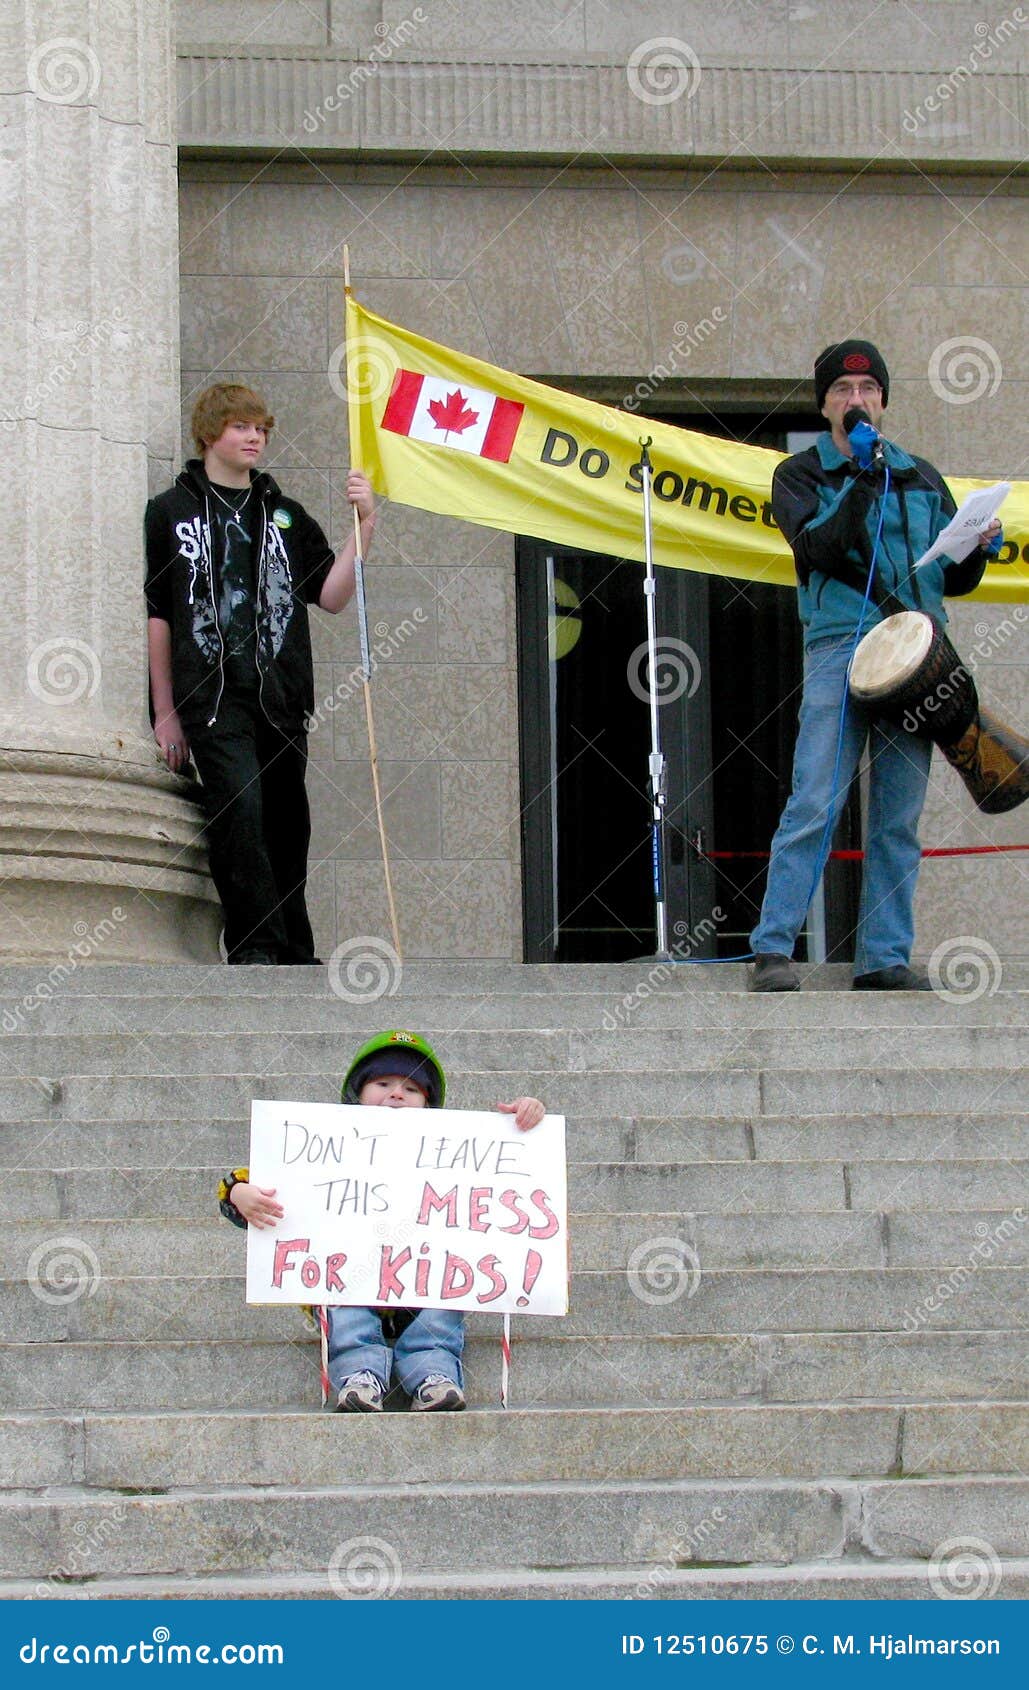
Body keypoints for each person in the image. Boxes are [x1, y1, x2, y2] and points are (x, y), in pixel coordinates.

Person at [749, 339, 1002, 993]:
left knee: (897, 814)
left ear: (883, 399)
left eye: (866, 391)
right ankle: (773, 948)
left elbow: (956, 577)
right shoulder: (798, 475)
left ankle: (883, 956)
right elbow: (820, 550)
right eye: (841, 391)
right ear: (824, 404)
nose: (855, 401)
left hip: (916, 652)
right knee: (814, 799)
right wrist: (861, 482)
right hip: (841, 648)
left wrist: (976, 546)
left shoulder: (921, 474)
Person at [144, 382, 376, 964]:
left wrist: (365, 527)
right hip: (212, 697)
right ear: (209, 433)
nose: (254, 437)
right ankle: (255, 945)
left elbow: (331, 594)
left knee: (286, 823)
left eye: (261, 428)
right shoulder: (169, 512)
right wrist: (165, 711)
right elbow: (160, 614)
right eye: (241, 426)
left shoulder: (285, 515)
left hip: (280, 697)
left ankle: (294, 947)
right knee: (239, 807)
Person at [217, 1030, 547, 1412]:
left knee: (450, 1291)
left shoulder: (450, 1156)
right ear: (356, 1095)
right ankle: (360, 1374)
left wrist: (522, 1123)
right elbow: (255, 1183)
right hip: (347, 1288)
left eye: (412, 1088)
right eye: (383, 1083)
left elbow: (503, 1184)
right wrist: (241, 1194)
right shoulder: (321, 1149)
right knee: (341, 1293)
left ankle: (433, 1374)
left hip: (421, 1293)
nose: (396, 1094)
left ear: (428, 1104)